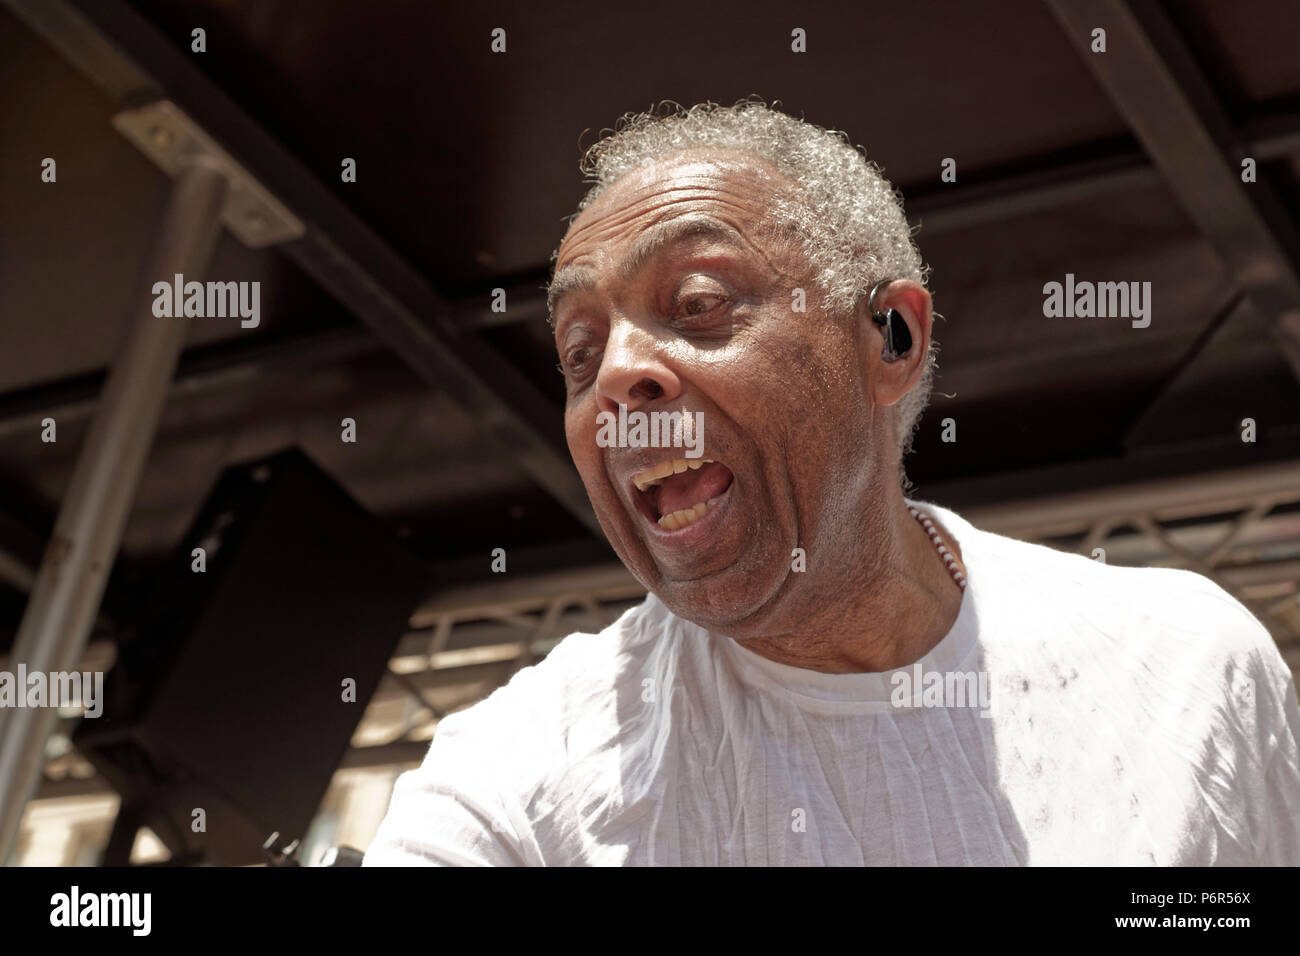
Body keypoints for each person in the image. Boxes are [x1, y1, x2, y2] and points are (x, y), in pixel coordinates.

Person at [364, 100, 1300, 865]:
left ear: (890, 339)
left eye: (699, 304)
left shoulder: (1179, 670)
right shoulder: (517, 778)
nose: (615, 375)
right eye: (578, 352)